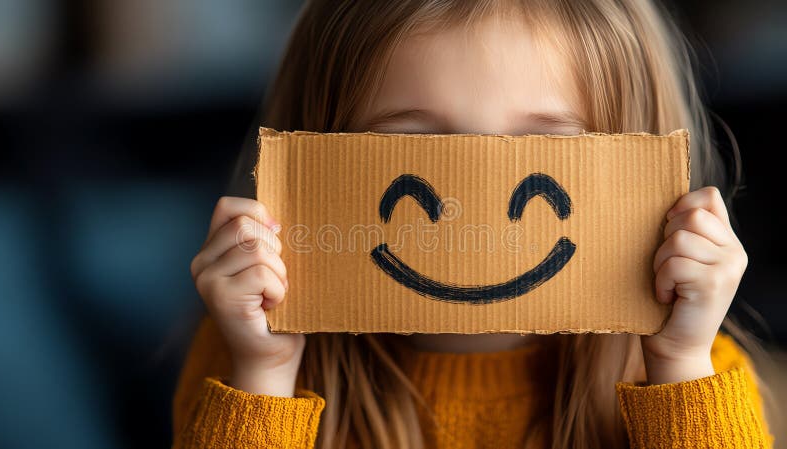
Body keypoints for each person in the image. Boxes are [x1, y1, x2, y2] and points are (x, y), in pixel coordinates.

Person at [172, 0, 774, 447]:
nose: (476, 202)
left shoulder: (693, 372)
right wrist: (264, 374)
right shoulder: (244, 364)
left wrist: (679, 367)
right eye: (414, 142)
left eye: (543, 145)